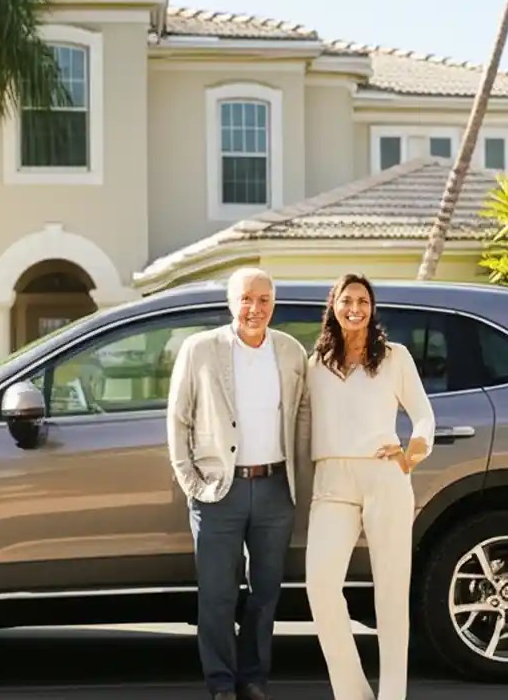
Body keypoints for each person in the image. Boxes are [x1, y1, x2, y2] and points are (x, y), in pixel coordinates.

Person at [166, 267, 311, 700]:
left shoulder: (289, 351)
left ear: (274, 304)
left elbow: (302, 416)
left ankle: (254, 679)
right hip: (217, 491)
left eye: (264, 300)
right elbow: (178, 418)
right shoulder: (200, 349)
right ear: (231, 303)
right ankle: (221, 683)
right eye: (246, 299)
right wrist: (190, 481)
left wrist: (299, 478)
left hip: (273, 488)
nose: (255, 308)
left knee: (266, 591)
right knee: (216, 594)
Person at [304, 273, 435, 700]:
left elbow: (423, 415)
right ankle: (353, 693)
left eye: (363, 300)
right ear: (334, 306)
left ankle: (392, 695)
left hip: (385, 479)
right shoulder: (315, 362)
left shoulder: (394, 357)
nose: (355, 308)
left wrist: (410, 456)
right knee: (320, 586)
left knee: (392, 594)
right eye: (347, 300)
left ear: (372, 307)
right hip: (331, 480)